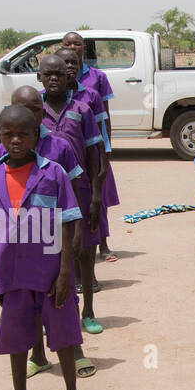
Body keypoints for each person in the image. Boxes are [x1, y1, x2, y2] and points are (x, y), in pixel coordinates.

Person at [0, 105, 93, 390]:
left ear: (36, 135)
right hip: (11, 274)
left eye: (23, 134)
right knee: (16, 337)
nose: (15, 140)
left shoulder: (53, 173)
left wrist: (66, 271)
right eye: (8, 134)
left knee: (65, 335)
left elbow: (67, 224)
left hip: (50, 272)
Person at [0, 87, 96, 381]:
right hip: (22, 246)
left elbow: (73, 187)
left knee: (63, 298)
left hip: (55, 240)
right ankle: (37, 355)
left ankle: (74, 352)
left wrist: (76, 232)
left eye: (37, 110)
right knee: (27, 302)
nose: (33, 115)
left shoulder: (59, 146)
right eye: (23, 109)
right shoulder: (3, 151)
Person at [38, 54, 105, 335]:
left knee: (84, 254)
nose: (54, 78)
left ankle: (88, 311)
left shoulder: (82, 109)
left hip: (81, 190)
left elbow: (94, 154)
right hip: (43, 194)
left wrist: (95, 196)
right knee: (46, 254)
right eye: (48, 74)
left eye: (60, 74)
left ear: (69, 77)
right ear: (39, 77)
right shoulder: (32, 108)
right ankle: (49, 313)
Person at [56, 46, 120, 276]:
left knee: (91, 213)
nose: (70, 67)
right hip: (56, 174)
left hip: (84, 169)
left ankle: (96, 258)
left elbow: (102, 128)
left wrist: (106, 154)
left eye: (74, 62)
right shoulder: (43, 102)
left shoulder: (88, 97)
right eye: (65, 63)